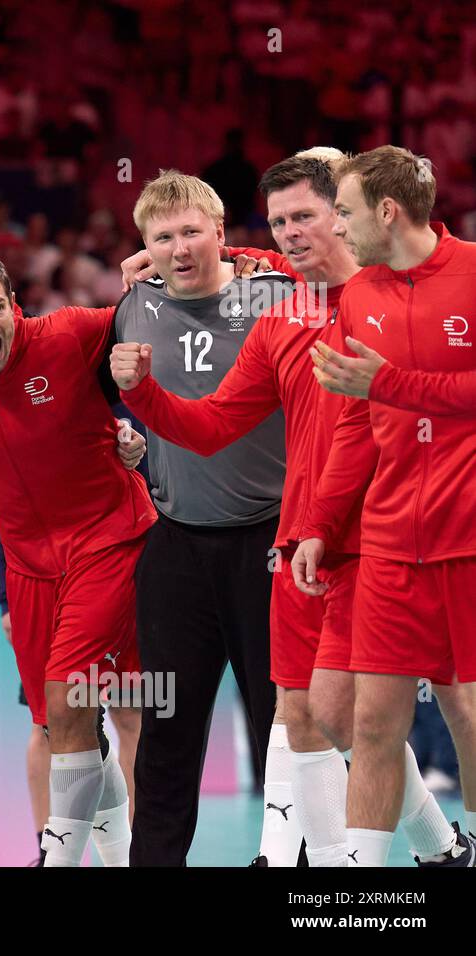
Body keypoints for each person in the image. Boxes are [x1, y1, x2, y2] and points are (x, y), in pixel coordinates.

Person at [113, 150, 473, 867]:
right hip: (312, 543)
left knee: (454, 703)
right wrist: (144, 394)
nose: (291, 235)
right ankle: (424, 848)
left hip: (421, 534)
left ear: (352, 214)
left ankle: (341, 864)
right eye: (277, 225)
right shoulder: (280, 314)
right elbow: (213, 426)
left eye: (310, 216)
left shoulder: (394, 294)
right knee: (322, 716)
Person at [0, 251, 152, 867]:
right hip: (25, 567)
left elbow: (156, 318)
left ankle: (56, 856)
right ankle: (121, 859)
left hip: (108, 540)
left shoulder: (70, 333)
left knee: (76, 700)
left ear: (15, 306)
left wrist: (163, 269)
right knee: (58, 724)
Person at [294, 144, 476, 866]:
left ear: (388, 212)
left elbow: (388, 391)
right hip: (392, 541)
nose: (336, 228)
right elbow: (352, 427)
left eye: (343, 211)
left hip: (470, 538)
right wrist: (318, 523)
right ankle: (367, 888)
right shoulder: (360, 296)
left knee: (469, 713)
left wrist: (393, 385)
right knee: (371, 725)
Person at [111, 171, 293, 866]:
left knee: (282, 726)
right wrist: (130, 449)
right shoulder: (132, 309)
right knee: (166, 729)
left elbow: (348, 280)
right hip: (177, 547)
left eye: (193, 232)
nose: (180, 248)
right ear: (144, 248)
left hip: (269, 546)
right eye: (163, 237)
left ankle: (299, 866)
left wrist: (268, 257)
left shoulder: (276, 298)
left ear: (222, 233)